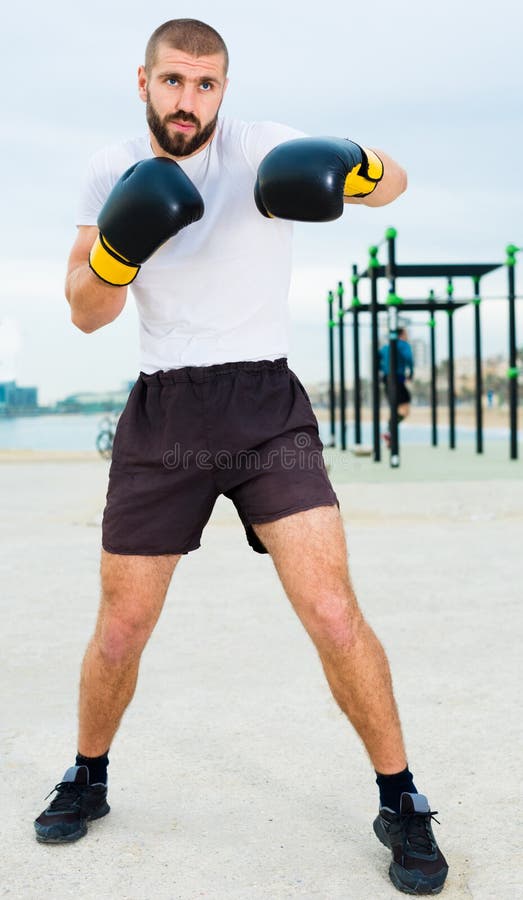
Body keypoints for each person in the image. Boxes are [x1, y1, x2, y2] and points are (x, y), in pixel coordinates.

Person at [34, 19, 448, 895]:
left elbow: (396, 183)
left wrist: (359, 168)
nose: (190, 102)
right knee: (121, 627)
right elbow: (83, 311)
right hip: (165, 414)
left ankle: (401, 800)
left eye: (207, 84)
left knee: (333, 612)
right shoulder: (111, 171)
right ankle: (89, 774)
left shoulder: (265, 151)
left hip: (266, 407)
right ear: (142, 79)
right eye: (175, 82)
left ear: (227, 87)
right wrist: (116, 249)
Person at [379, 327, 415, 447]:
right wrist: (411, 372)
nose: (407, 336)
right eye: (406, 333)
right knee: (405, 410)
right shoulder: (403, 344)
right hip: (398, 380)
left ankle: (389, 433)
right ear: (401, 335)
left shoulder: (385, 347)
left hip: (387, 380)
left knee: (395, 408)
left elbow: (377, 360)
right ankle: (389, 431)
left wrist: (381, 372)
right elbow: (409, 358)